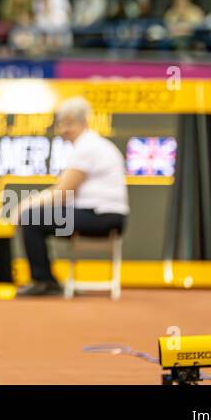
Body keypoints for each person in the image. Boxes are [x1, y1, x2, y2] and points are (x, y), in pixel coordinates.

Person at [17, 97, 129, 297]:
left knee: (30, 218)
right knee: (34, 217)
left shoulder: (87, 147)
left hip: (101, 217)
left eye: (69, 124)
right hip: (100, 215)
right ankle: (46, 279)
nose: (64, 130)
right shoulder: (90, 145)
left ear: (84, 123)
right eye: (61, 124)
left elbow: (62, 193)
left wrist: (24, 205)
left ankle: (44, 281)